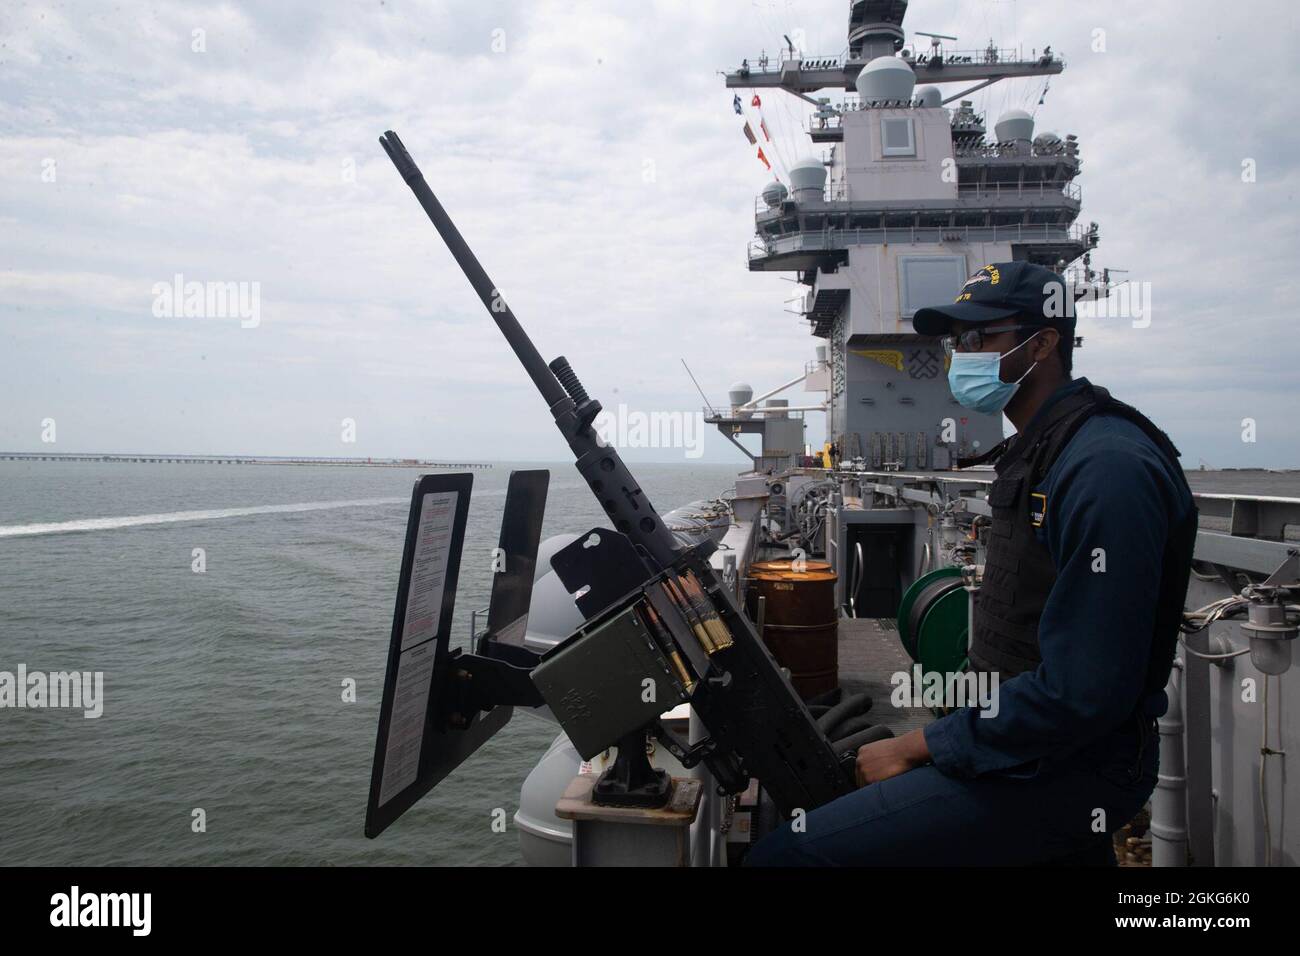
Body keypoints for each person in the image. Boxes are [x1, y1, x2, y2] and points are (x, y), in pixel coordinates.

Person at [746, 261, 1197, 866]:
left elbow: (1084, 691)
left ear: (1042, 344)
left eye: (982, 338)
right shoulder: (1045, 449)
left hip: (1062, 769)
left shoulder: (1104, 469)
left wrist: (921, 745)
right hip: (1027, 749)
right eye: (960, 341)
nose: (964, 355)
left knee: (783, 858)